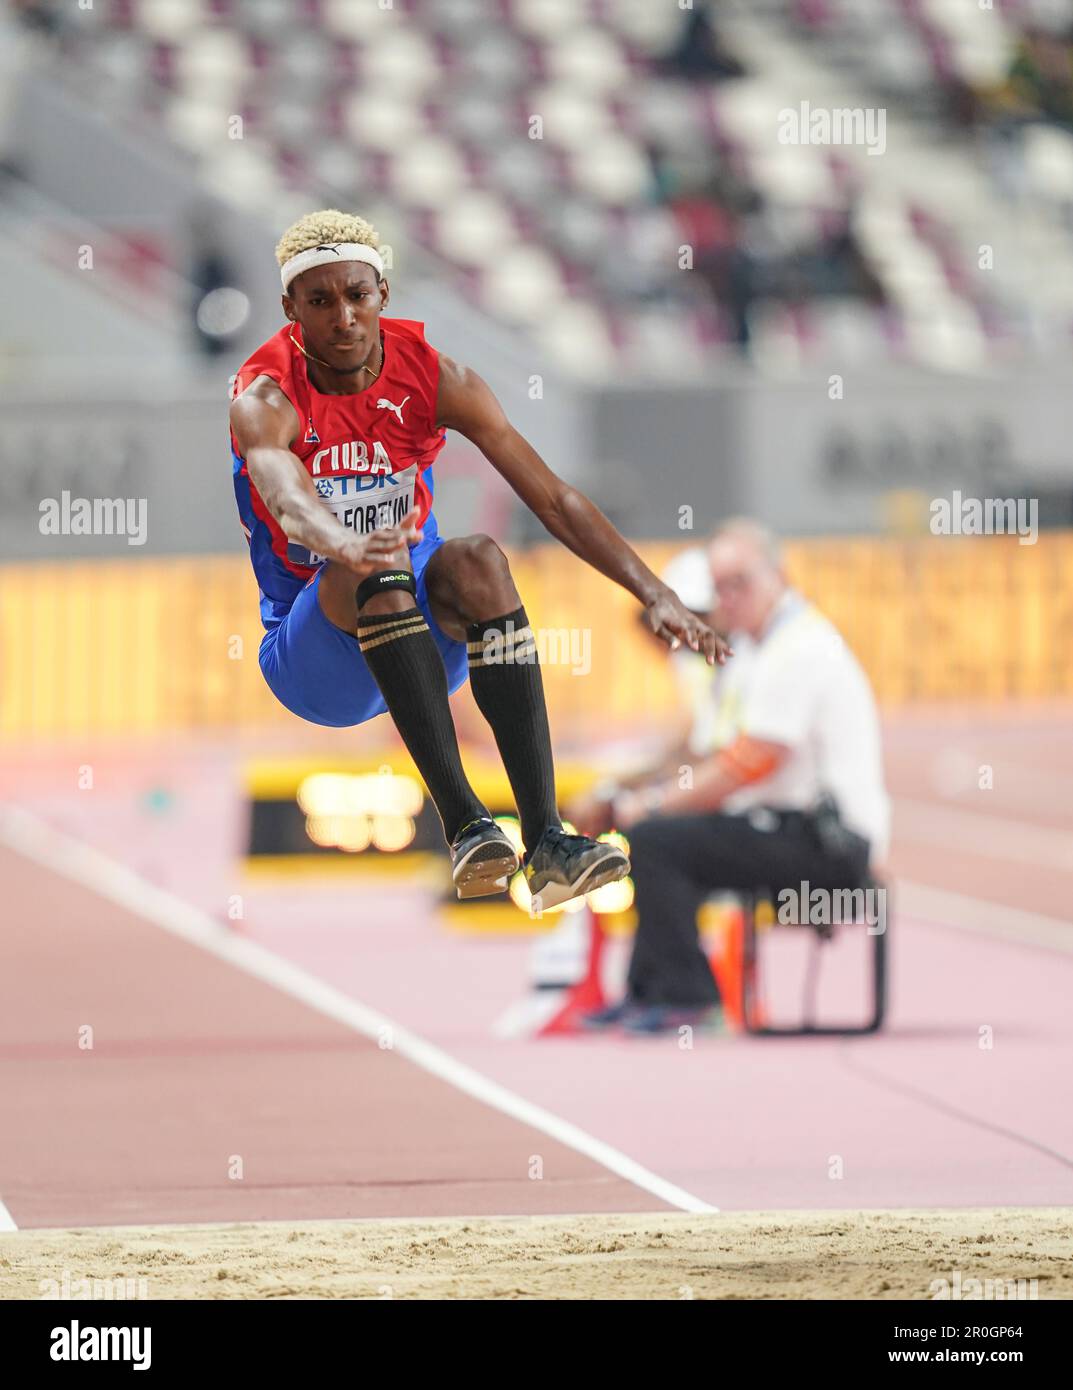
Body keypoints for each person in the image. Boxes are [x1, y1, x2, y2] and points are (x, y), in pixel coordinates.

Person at [228, 209, 730, 909]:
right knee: (377, 566)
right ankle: (465, 824)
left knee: (480, 559)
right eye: (319, 301)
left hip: (422, 639)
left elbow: (553, 498)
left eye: (356, 296)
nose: (342, 318)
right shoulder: (266, 397)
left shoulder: (437, 379)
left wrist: (652, 592)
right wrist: (344, 544)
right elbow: (285, 498)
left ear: (382, 295)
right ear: (290, 309)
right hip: (314, 657)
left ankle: (548, 841)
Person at [570, 519, 890, 1035]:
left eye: (740, 583)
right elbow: (704, 755)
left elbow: (748, 763)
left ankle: (687, 996)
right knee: (662, 837)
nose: (729, 599)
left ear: (779, 575)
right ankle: (651, 988)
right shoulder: (754, 651)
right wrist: (626, 795)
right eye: (721, 588)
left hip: (830, 841)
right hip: (783, 824)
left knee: (657, 839)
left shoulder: (799, 649)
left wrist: (653, 806)